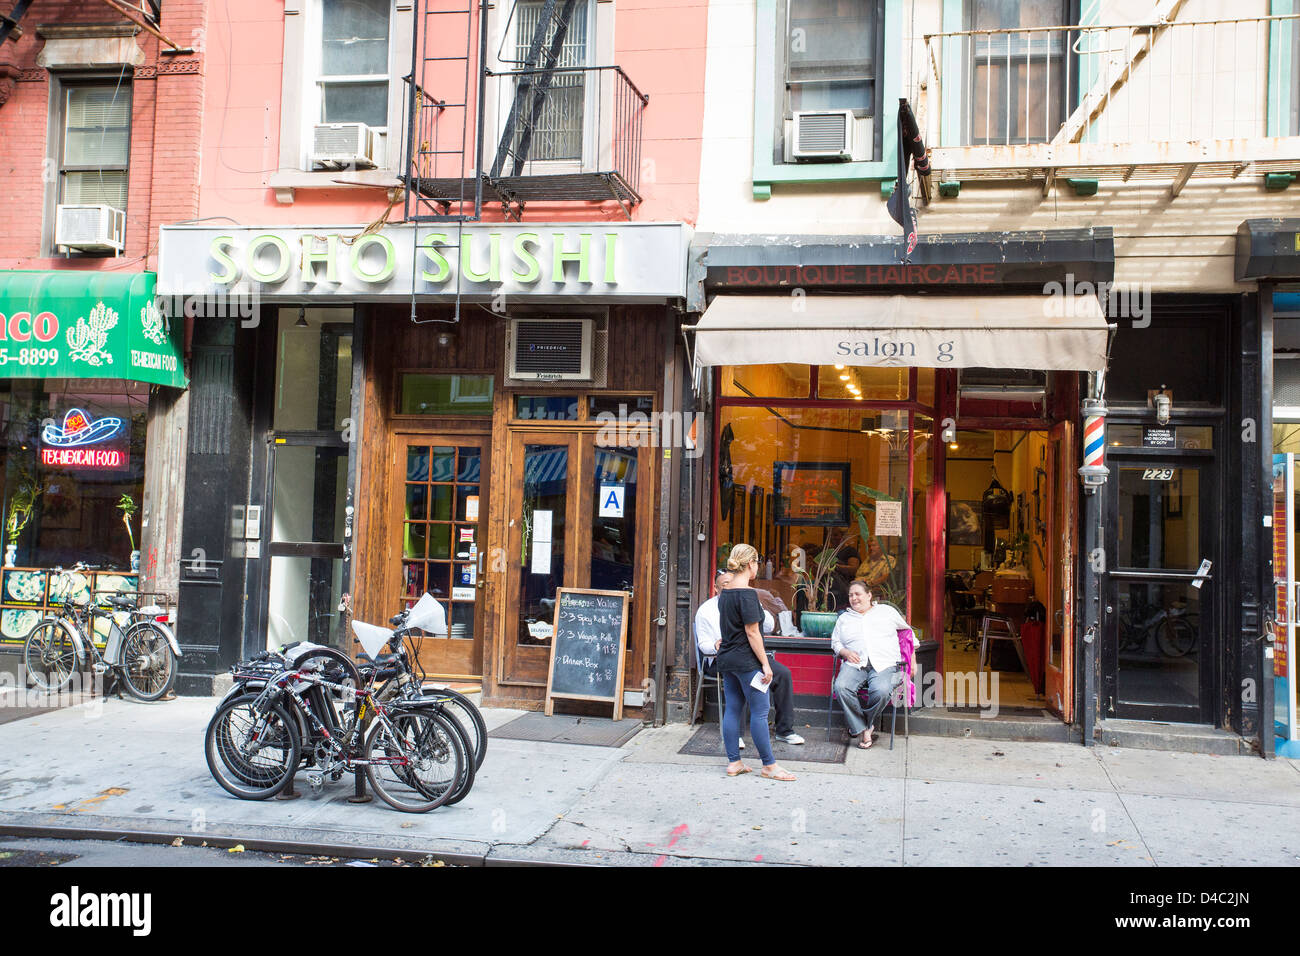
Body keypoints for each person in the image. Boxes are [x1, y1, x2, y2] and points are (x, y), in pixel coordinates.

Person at [714, 544, 797, 780]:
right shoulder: (749, 595)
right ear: (750, 564)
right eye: (757, 563)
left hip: (728, 660)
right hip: (747, 661)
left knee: (732, 708)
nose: (757, 567)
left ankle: (734, 762)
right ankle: (769, 765)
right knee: (760, 712)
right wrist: (766, 664)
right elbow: (752, 633)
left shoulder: (725, 594)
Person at [695, 569, 804, 746]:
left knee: (783, 674)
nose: (730, 587)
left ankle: (784, 730)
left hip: (750, 656)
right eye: (725, 584)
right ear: (715, 588)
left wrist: (757, 606)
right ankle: (735, 735)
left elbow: (768, 627)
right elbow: (703, 645)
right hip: (720, 659)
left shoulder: (747, 599)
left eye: (732, 582)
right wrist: (715, 645)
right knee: (744, 677)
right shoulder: (706, 610)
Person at [830, 579, 912, 749]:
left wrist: (914, 661)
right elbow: (835, 642)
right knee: (841, 687)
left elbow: (908, 633)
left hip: (885, 664)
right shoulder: (844, 618)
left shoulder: (886, 612)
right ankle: (865, 728)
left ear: (869, 595)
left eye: (858, 594)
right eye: (851, 595)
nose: (854, 598)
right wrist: (845, 652)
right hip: (855, 665)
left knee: (881, 690)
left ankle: (863, 726)